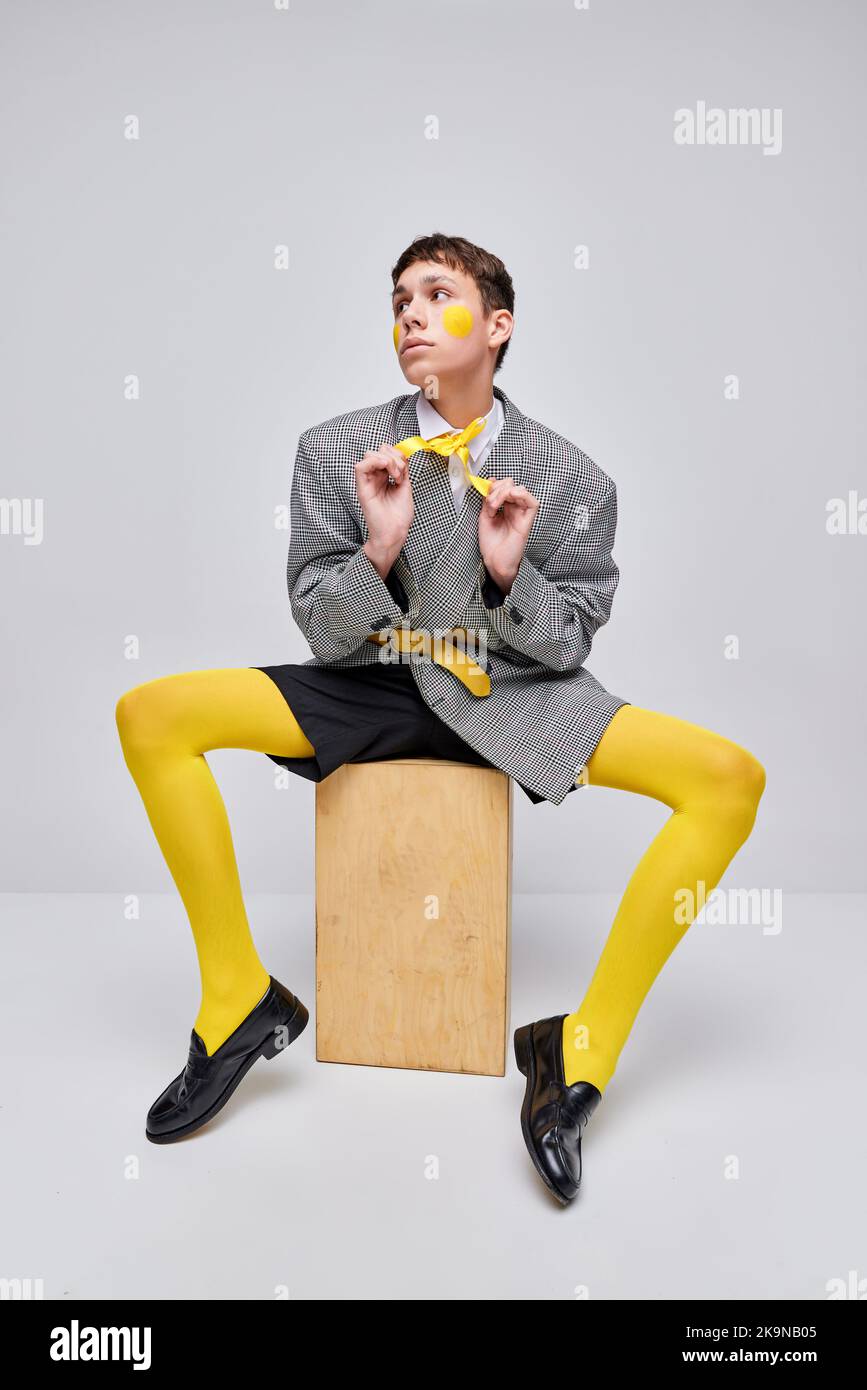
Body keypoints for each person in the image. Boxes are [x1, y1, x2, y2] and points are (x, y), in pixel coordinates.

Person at [115, 233, 766, 1202]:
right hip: (380, 681)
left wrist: (511, 571)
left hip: (513, 692)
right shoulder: (335, 449)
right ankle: (237, 998)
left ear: (497, 326)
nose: (410, 314)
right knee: (153, 713)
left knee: (728, 780)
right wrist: (376, 553)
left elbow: (569, 642)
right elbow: (323, 629)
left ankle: (577, 1050)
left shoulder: (577, 480)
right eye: (399, 300)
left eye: (437, 293)